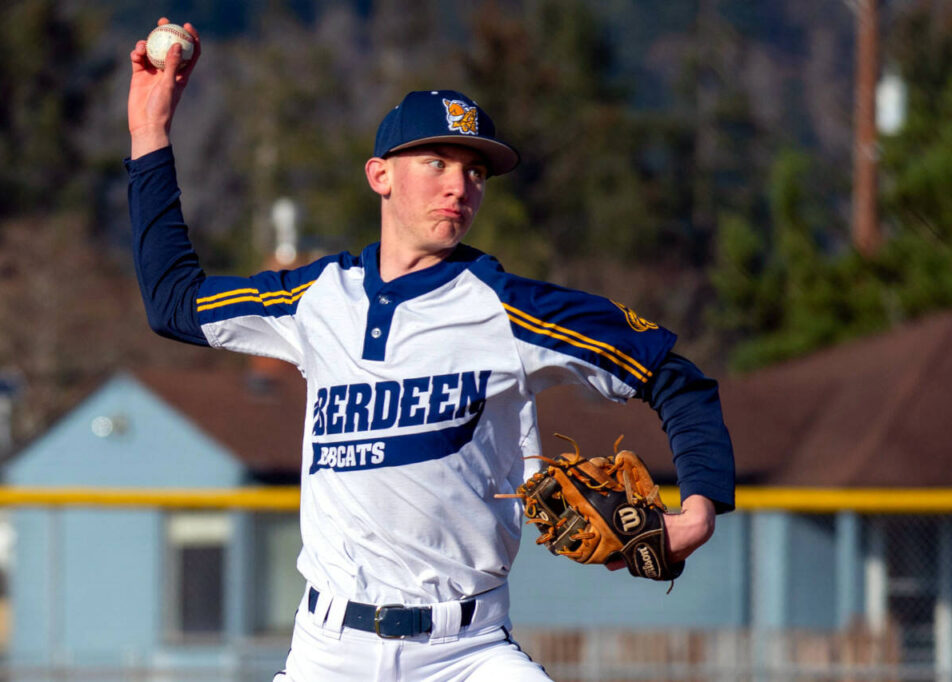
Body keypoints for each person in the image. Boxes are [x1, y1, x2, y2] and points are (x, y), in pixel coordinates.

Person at [126, 19, 735, 682]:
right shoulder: (318, 298)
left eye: (475, 171)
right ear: (380, 176)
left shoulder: (508, 309)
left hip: (467, 653)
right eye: (437, 162)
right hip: (330, 653)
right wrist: (150, 131)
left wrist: (698, 510)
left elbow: (675, 378)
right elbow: (174, 303)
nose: (460, 186)